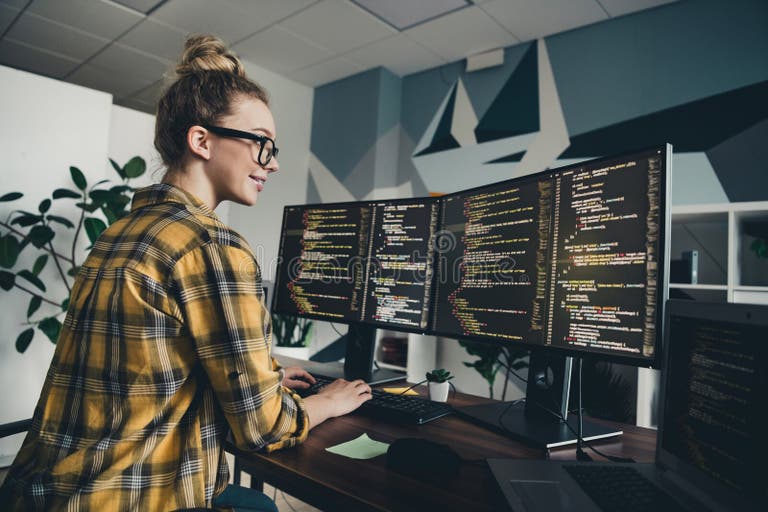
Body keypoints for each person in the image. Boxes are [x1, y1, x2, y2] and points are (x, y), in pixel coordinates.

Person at [0, 34, 372, 511]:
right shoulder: (212, 246)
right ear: (201, 140)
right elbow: (265, 429)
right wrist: (331, 401)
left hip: (41, 492)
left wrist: (265, 382)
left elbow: (147, 369)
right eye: (262, 144)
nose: (273, 163)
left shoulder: (121, 231)